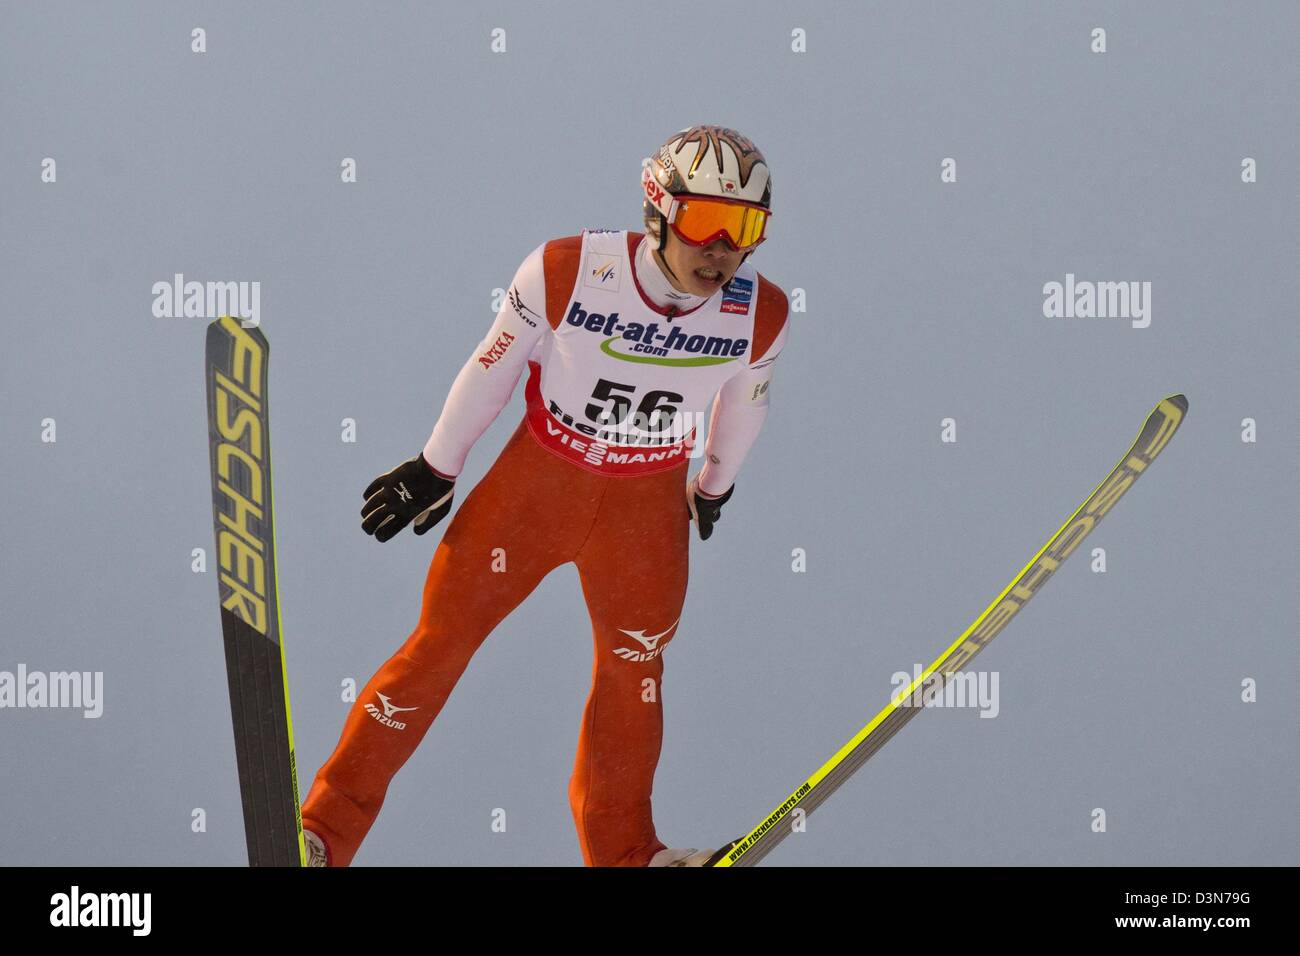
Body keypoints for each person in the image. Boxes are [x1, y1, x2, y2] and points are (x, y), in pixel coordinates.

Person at [299, 125, 791, 867]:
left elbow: (746, 408)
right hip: (537, 488)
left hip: (645, 509)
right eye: (702, 222)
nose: (721, 247)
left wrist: (715, 485)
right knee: (442, 643)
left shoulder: (760, 313)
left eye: (745, 228)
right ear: (657, 210)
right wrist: (438, 466)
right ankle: (322, 834)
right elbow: (491, 366)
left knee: (636, 671)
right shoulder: (569, 269)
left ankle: (630, 856)